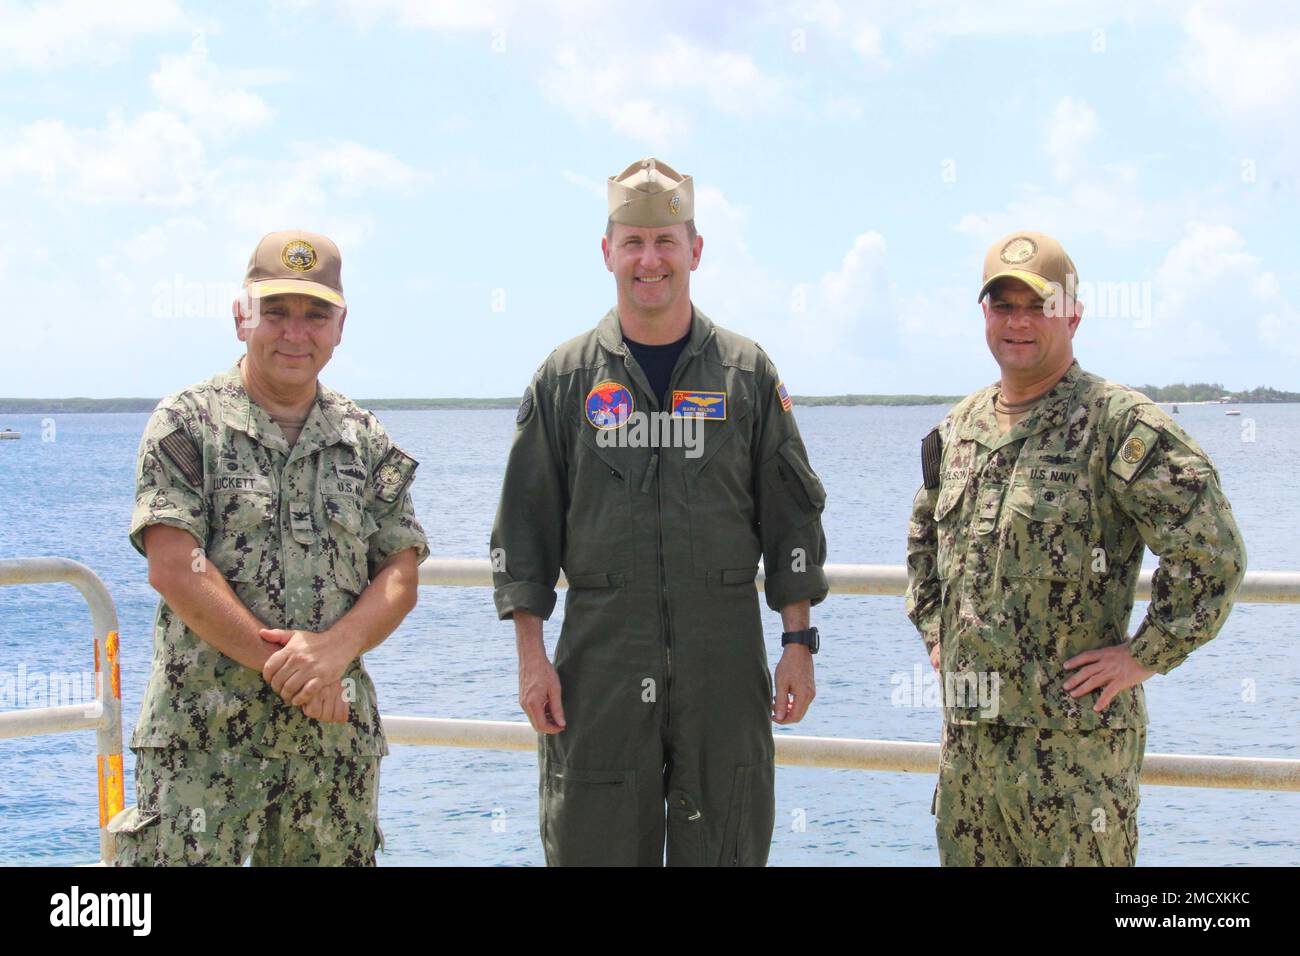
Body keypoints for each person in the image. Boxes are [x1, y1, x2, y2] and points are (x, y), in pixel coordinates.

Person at [490, 158, 829, 866]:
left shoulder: (746, 373)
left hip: (725, 665)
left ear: (695, 251)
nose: (650, 260)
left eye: (666, 241)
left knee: (728, 843)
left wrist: (798, 645)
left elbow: (790, 519)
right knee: (593, 842)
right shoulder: (565, 378)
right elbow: (525, 529)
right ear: (607, 251)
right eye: (634, 242)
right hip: (600, 665)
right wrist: (531, 658)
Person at [905, 230, 1246, 866]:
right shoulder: (959, 430)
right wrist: (936, 632)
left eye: (1039, 306)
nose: (1019, 322)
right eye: (1004, 306)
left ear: (1074, 314)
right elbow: (925, 539)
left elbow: (1213, 557)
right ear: (985, 315)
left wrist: (1144, 655)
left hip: (1074, 768)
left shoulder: (1118, 426)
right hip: (970, 766)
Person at [109, 230, 428, 866]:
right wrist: (298, 671)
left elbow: (399, 571)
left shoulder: (365, 439)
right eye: (274, 312)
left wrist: (333, 653)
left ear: (341, 327)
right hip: (203, 750)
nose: (294, 333)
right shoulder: (186, 423)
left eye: (315, 315)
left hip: (330, 755)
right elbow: (175, 567)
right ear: (240, 319)